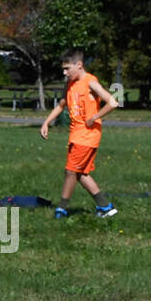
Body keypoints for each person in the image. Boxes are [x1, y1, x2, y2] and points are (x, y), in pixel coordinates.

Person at [40, 49, 120, 218]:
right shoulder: (70, 84)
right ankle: (105, 207)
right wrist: (46, 122)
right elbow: (61, 105)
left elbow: (112, 102)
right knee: (81, 173)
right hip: (76, 135)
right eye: (63, 69)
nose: (64, 72)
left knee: (70, 172)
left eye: (67, 68)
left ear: (79, 65)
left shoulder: (90, 82)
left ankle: (61, 209)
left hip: (87, 136)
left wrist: (95, 117)